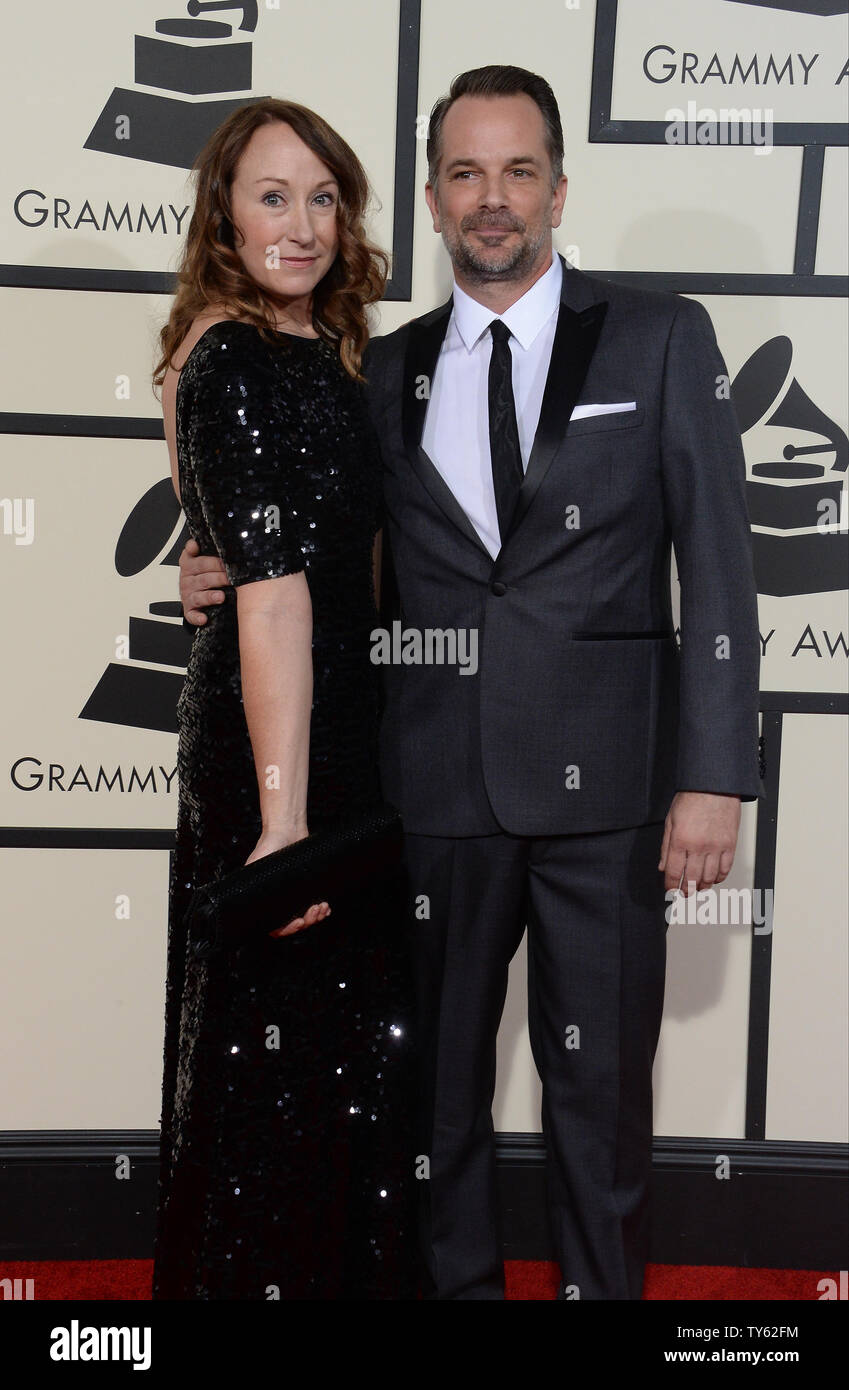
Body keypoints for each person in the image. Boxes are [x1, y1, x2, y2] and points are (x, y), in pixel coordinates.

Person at [179, 66, 762, 1300]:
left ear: (559, 187)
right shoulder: (384, 374)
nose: (492, 199)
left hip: (609, 800)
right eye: (464, 173)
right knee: (430, 1106)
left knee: (599, 1105)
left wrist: (714, 778)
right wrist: (208, 561)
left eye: (517, 170)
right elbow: (329, 549)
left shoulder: (665, 338)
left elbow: (718, 571)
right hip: (431, 792)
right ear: (435, 203)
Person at [151, 97, 418, 1300]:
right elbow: (267, 599)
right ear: (223, 212)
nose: (302, 224)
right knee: (279, 1047)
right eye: (273, 195)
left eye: (324, 197)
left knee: (340, 1053)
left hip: (343, 724)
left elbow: (325, 555)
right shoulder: (229, 355)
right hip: (277, 746)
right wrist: (283, 821)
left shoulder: (329, 347)